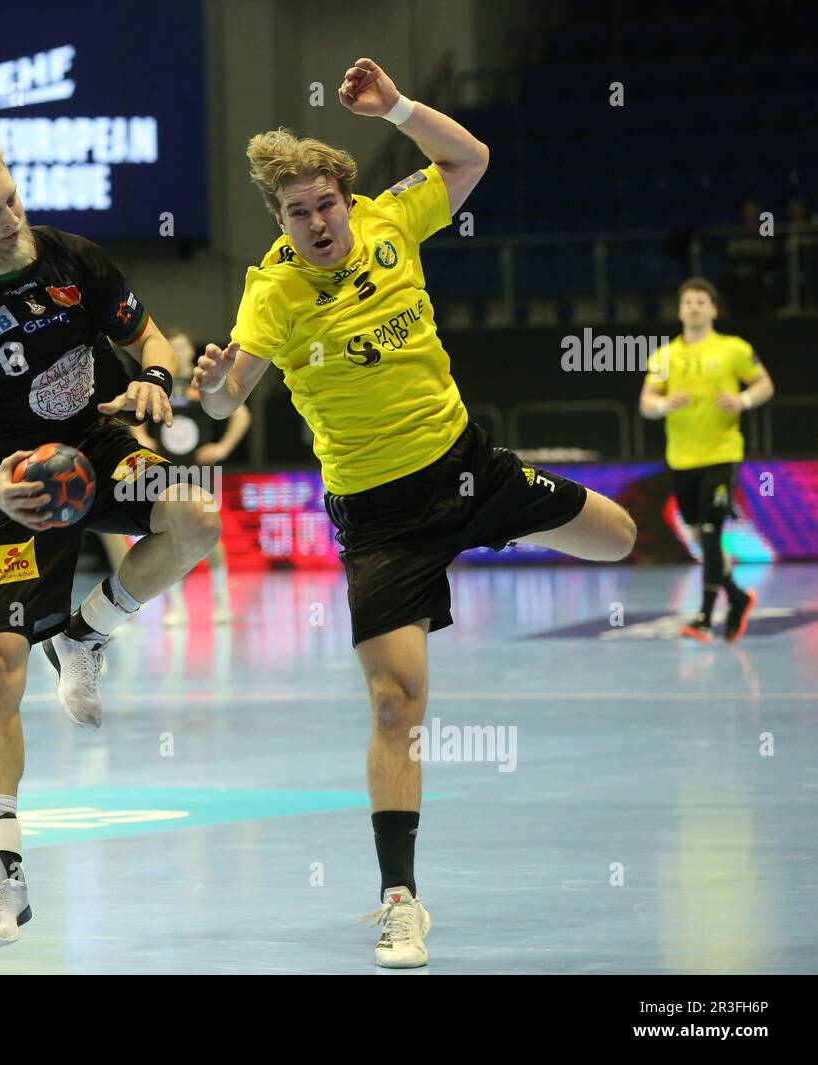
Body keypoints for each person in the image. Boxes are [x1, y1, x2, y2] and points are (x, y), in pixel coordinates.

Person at [194, 58, 636, 968]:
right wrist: (208, 390)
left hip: (468, 471)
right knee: (396, 704)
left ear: (348, 200)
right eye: (295, 212)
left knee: (621, 539)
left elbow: (470, 159)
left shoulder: (395, 218)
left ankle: (503, 529)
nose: (316, 223)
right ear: (279, 221)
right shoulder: (271, 292)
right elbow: (227, 396)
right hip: (381, 517)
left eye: (324, 204)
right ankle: (399, 898)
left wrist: (395, 106)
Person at [0, 129, 219, 951]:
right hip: (17, 485)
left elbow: (149, 339)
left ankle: (86, 634)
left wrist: (151, 381)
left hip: (102, 447)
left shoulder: (74, 259)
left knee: (198, 515)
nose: (11, 219)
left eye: (11, 198)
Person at [639, 278, 773, 642]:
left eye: (701, 302)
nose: (694, 307)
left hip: (722, 453)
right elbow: (646, 403)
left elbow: (764, 384)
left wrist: (743, 400)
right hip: (682, 459)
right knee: (702, 536)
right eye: (688, 303)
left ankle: (703, 616)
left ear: (713, 309)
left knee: (712, 531)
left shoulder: (734, 349)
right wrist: (666, 404)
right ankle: (738, 596)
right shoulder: (664, 357)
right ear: (680, 310)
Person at [138, 327, 251, 625]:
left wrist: (223, 447)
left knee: (211, 537)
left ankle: (221, 602)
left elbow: (241, 413)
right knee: (166, 537)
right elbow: (131, 412)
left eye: (183, 346)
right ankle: (174, 608)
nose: (178, 350)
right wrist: (141, 439)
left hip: (198, 470)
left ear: (192, 351)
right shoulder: (157, 384)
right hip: (164, 468)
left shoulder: (203, 382)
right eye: (171, 346)